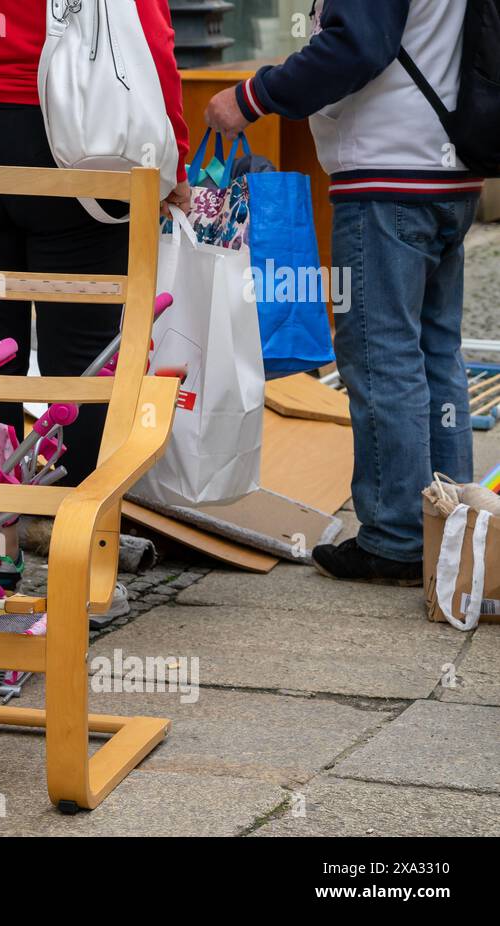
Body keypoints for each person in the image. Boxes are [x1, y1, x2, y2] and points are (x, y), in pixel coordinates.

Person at [205, 0, 483, 585]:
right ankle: (452, 527)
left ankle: (397, 538)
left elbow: (353, 45)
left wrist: (250, 96)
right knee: (435, 351)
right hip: (451, 168)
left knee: (381, 354)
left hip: (386, 173)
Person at [0, 0, 190, 487]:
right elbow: (150, 40)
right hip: (74, 125)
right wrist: (173, 162)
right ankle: (75, 522)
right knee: (83, 352)